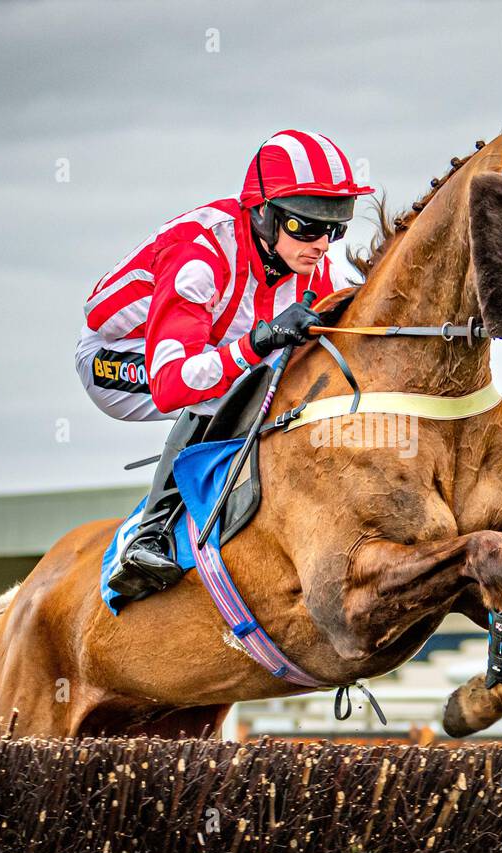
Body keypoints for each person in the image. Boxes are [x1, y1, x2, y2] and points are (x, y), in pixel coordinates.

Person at [77, 130, 373, 598]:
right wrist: (260, 341)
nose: (321, 244)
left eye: (334, 229)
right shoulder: (201, 257)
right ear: (262, 214)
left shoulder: (310, 264)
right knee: (230, 384)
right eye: (305, 227)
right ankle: (150, 532)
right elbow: (174, 385)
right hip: (121, 359)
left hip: (209, 343)